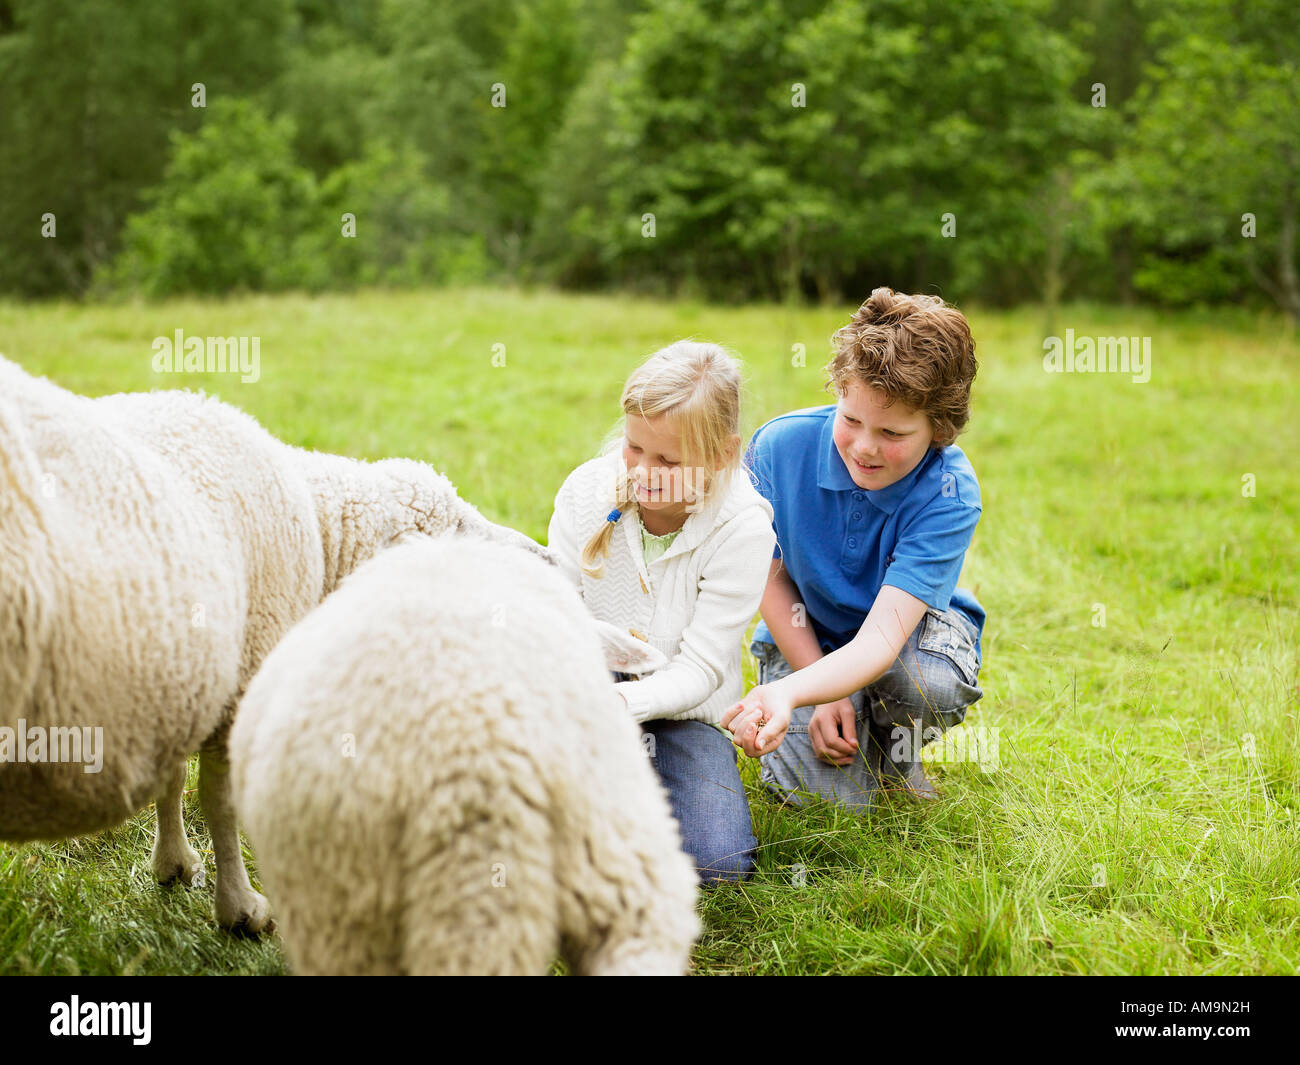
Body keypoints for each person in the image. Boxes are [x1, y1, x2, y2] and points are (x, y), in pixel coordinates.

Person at [723, 288, 985, 809]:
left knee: (925, 685)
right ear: (839, 391)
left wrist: (791, 695)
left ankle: (897, 754)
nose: (864, 447)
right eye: (851, 420)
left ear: (939, 431)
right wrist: (815, 683)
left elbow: (882, 640)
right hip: (805, 633)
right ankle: (852, 735)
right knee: (827, 804)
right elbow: (768, 577)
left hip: (901, 640)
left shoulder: (950, 492)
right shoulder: (778, 448)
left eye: (892, 432)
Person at [547, 340, 776, 880]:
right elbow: (556, 609)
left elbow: (700, 668)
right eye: (633, 448)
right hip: (583, 689)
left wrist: (621, 702)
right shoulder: (587, 492)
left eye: (668, 461)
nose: (644, 472)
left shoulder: (742, 526)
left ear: (723, 453)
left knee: (716, 863)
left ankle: (633, 793)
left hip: (682, 711)